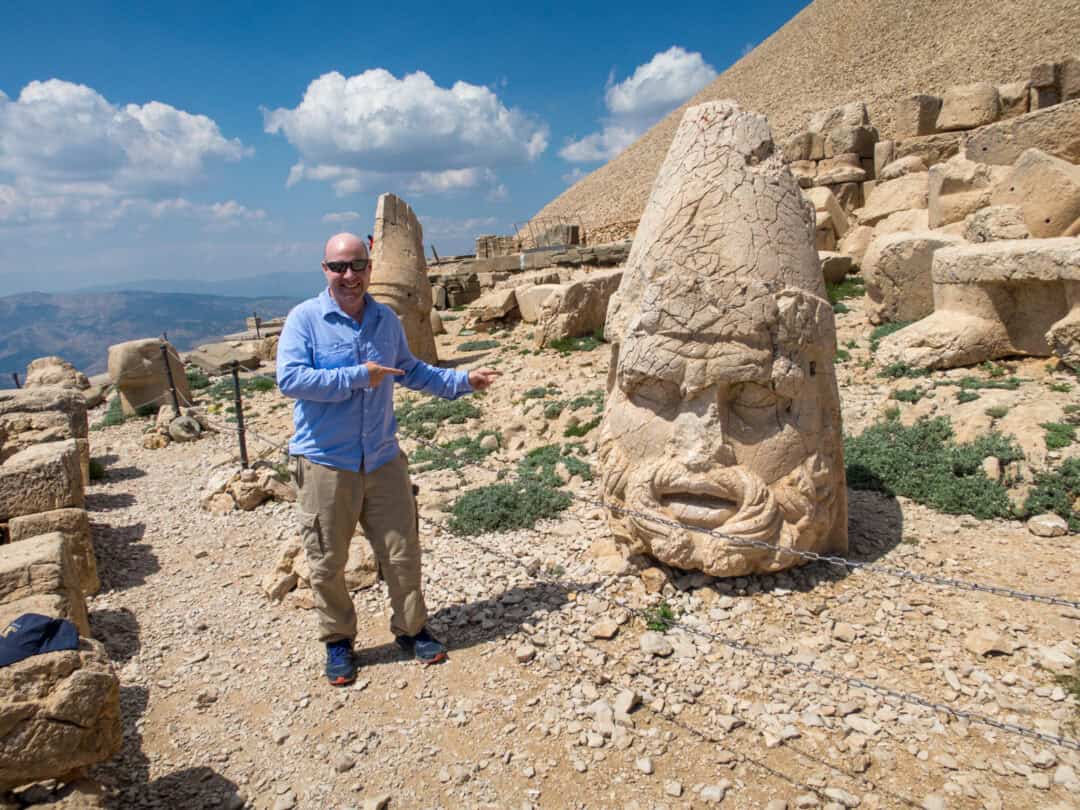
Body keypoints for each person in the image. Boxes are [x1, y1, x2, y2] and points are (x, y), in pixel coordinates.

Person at [277, 232, 499, 685]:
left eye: (357, 265)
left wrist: (461, 381)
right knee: (327, 560)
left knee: (402, 553)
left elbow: (411, 370)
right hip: (325, 462)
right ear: (324, 270)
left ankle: (412, 630)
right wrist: (360, 377)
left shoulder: (386, 320)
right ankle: (339, 641)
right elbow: (291, 379)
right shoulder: (305, 319)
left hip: (381, 457)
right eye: (339, 267)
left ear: (370, 268)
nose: (349, 275)